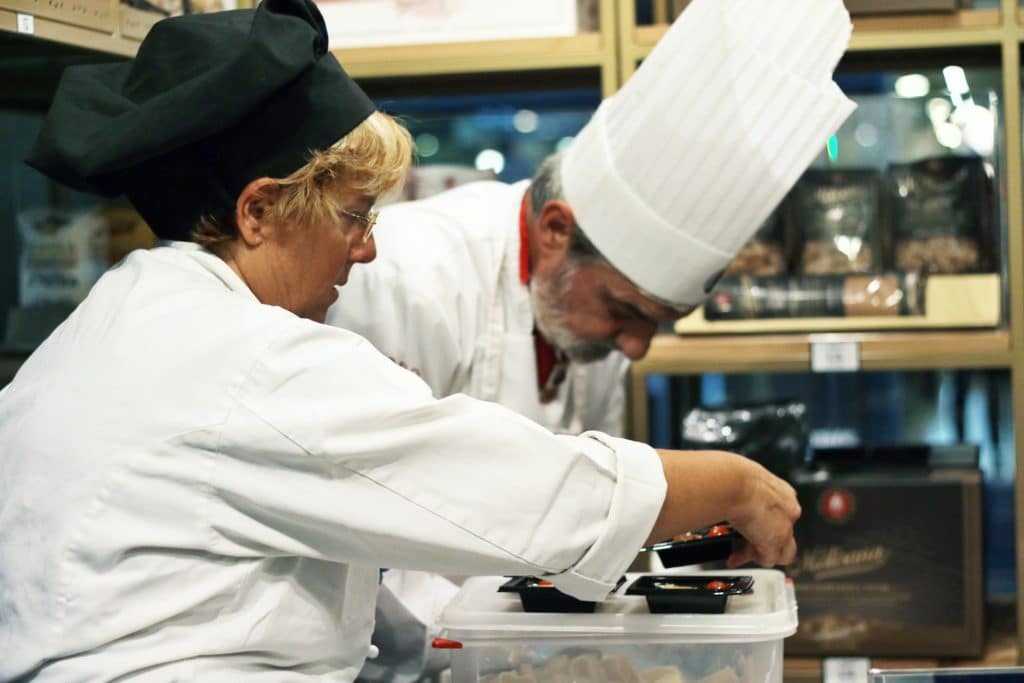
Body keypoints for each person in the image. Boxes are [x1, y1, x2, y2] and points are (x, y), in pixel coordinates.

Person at [0, 0, 808, 680]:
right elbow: (530, 494)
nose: (368, 249)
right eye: (354, 217)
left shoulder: (131, 308)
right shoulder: (245, 360)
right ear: (257, 213)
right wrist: (737, 482)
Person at [327, 0, 858, 678]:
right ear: (554, 230)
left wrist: (666, 545)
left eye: (656, 324)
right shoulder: (406, 278)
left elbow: (571, 516)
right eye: (625, 310)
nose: (635, 348)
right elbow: (373, 521)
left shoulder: (588, 329)